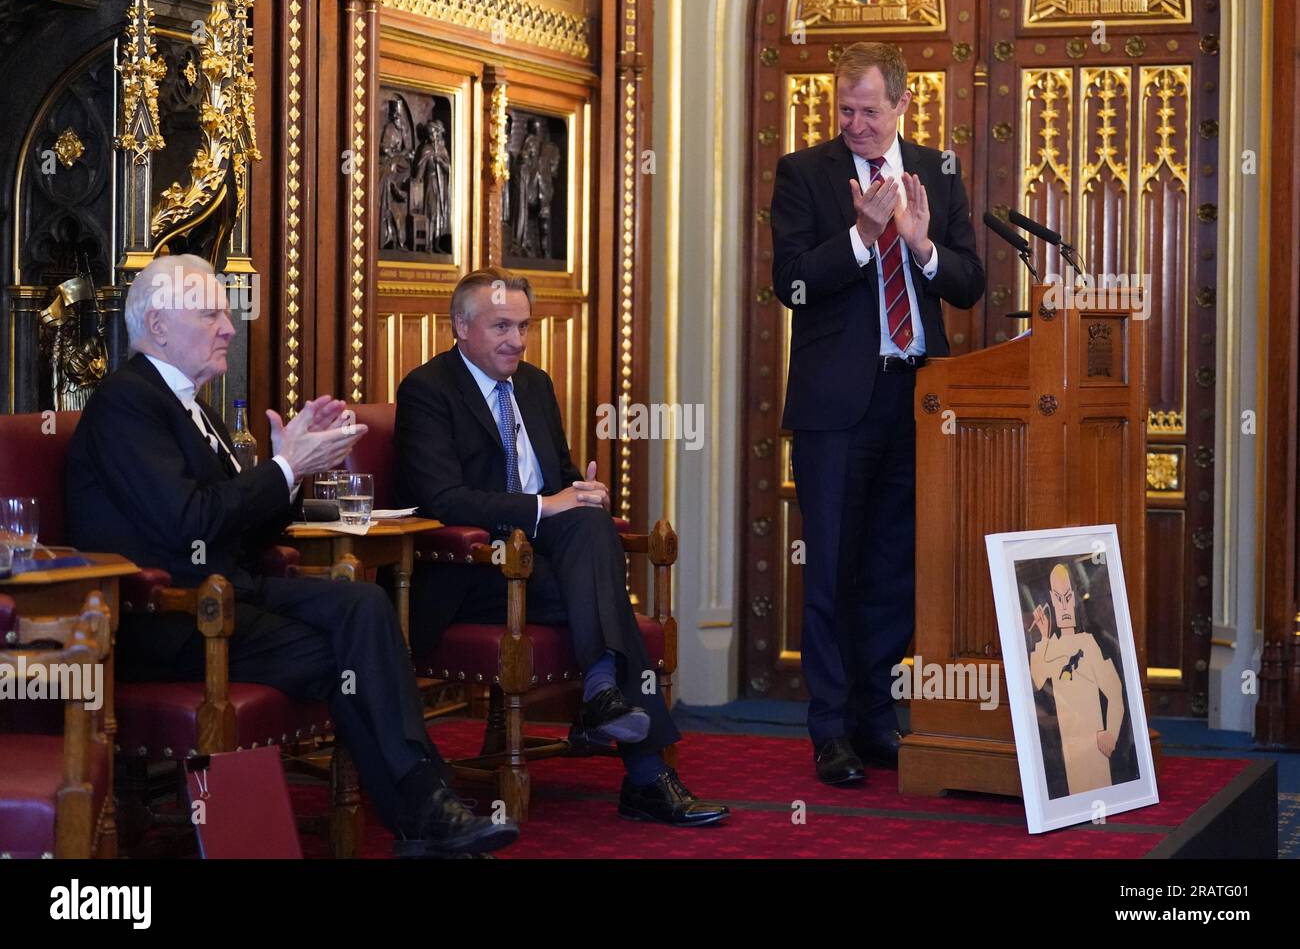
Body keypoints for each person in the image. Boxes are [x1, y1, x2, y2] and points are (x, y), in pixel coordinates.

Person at [65, 254, 517, 857]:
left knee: (363, 605)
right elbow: (187, 522)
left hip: (231, 591)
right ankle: (424, 810)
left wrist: (293, 472)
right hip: (171, 614)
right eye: (211, 314)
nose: (230, 327)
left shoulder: (192, 406)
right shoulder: (127, 402)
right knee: (347, 650)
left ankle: (425, 806)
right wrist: (280, 468)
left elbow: (243, 531)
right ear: (158, 326)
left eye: (227, 313)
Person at [394, 267, 729, 827]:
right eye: (502, 326)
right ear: (461, 326)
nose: (517, 341)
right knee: (605, 601)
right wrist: (545, 507)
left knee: (593, 524)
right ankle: (645, 774)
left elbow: (562, 478)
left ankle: (603, 699)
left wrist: (584, 492)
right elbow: (443, 500)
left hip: (546, 564)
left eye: (524, 327)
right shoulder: (428, 390)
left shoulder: (535, 385)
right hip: (472, 570)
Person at [769, 42, 985, 786]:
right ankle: (829, 730)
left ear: (901, 106)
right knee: (831, 568)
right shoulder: (804, 174)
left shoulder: (938, 172)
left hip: (919, 402)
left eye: (868, 110)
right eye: (845, 109)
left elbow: (969, 283)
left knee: (894, 569)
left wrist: (923, 246)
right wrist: (862, 236)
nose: (854, 122)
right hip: (835, 408)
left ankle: (874, 717)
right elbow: (789, 283)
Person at [1028, 564, 1125, 797]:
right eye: (1058, 598)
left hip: (1098, 753)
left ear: (1076, 598)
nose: (1063, 605)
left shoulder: (1094, 643)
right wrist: (1041, 641)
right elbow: (1037, 682)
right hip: (1063, 754)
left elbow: (1116, 695)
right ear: (1051, 599)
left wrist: (1110, 734)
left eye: (1068, 596)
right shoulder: (1049, 645)